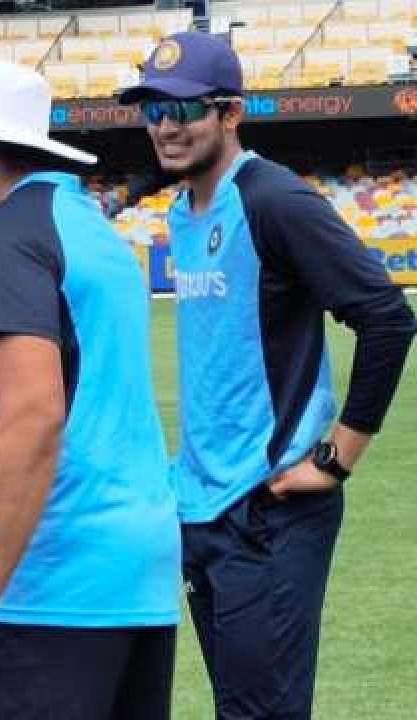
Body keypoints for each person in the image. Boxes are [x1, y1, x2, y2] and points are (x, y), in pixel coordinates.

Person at [118, 32, 417, 719]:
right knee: (240, 708)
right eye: (153, 110)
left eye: (183, 109)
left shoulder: (274, 200)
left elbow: (387, 318)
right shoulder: (183, 210)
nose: (165, 126)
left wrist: (336, 458)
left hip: (269, 508)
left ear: (231, 113)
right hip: (201, 505)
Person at [0, 50, 181, 719]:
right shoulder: (87, 225)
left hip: (52, 580)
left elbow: (34, 413)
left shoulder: (0, 233)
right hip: (136, 576)